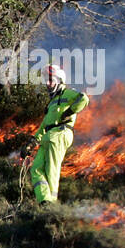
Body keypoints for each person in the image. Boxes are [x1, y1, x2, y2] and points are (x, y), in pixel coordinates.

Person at [28, 64, 88, 205]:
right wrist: (31, 142)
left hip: (60, 134)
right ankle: (45, 201)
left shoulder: (67, 93)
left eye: (50, 79)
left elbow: (84, 98)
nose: (47, 83)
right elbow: (44, 125)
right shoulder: (51, 103)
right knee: (36, 169)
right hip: (48, 137)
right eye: (46, 80)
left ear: (59, 79)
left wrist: (70, 111)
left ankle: (51, 205)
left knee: (51, 170)